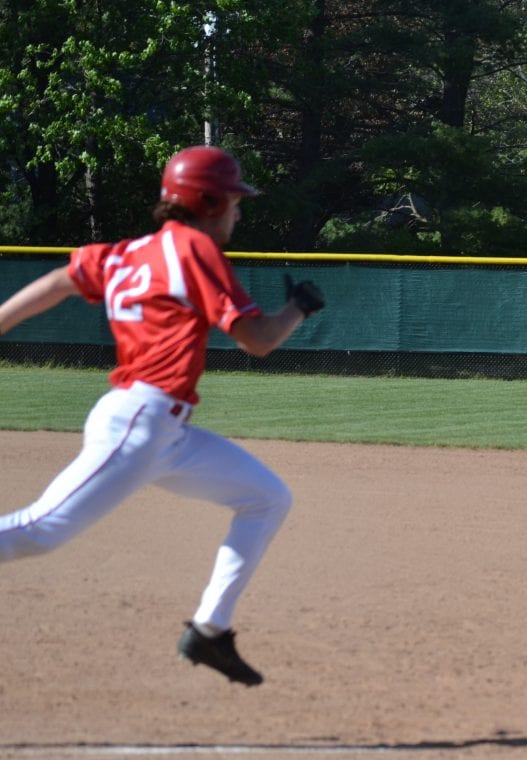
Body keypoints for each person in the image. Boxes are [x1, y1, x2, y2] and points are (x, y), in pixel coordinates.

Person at [0, 145, 325, 686]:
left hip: (165, 432)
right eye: (234, 202)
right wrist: (300, 307)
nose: (239, 213)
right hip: (139, 421)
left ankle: (210, 631)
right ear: (209, 201)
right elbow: (258, 340)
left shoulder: (130, 252)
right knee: (42, 530)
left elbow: (60, 281)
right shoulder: (195, 248)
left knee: (267, 498)